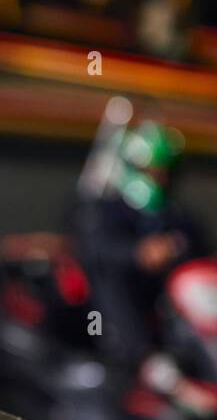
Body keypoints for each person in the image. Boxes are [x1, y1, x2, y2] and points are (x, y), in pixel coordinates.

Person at [73, 119, 209, 366]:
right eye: (151, 171)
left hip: (170, 309)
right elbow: (95, 248)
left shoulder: (178, 217)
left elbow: (198, 245)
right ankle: (142, 361)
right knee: (110, 276)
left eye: (165, 172)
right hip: (120, 310)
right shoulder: (106, 210)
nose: (160, 178)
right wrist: (138, 253)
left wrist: (176, 249)